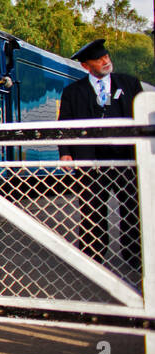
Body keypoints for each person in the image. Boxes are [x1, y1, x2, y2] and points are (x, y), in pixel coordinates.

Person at [57, 38, 143, 272]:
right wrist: (65, 154)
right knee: (91, 209)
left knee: (132, 208)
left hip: (127, 159)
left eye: (106, 57)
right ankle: (92, 256)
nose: (106, 61)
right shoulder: (73, 92)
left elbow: (143, 119)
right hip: (91, 160)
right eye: (99, 59)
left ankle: (134, 256)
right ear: (86, 66)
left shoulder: (130, 83)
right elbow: (64, 125)